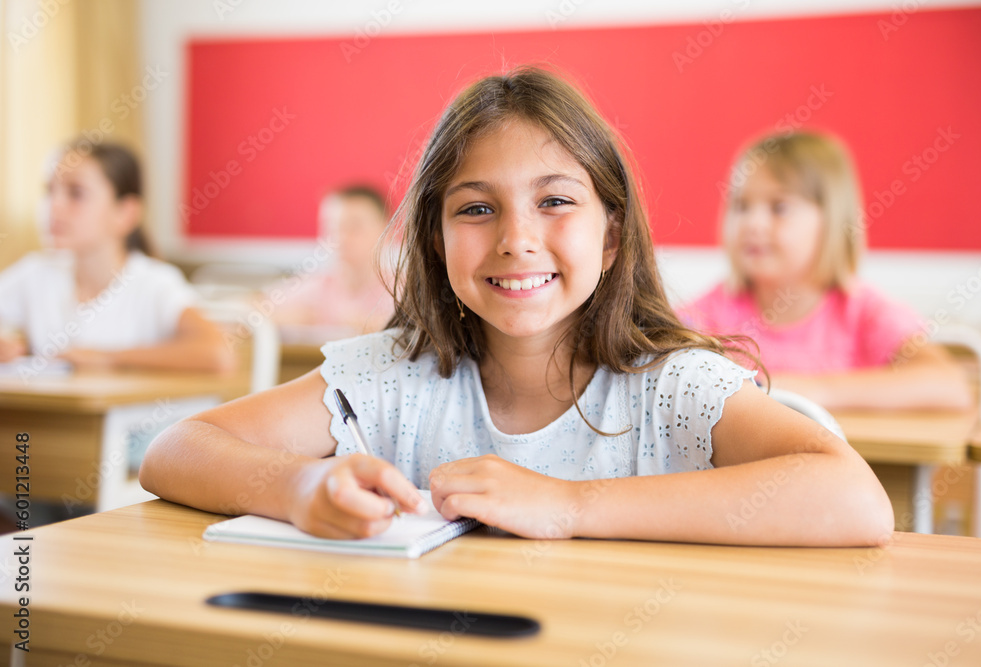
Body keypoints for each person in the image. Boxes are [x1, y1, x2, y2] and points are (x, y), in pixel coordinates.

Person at [140, 67, 892, 547]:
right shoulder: (392, 377)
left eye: (556, 202)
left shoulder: (671, 388)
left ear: (611, 237)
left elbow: (856, 500)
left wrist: (568, 505)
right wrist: (299, 487)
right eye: (475, 209)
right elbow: (175, 449)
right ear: (433, 242)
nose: (516, 240)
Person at [682, 131, 972, 411]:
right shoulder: (710, 315)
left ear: (831, 221)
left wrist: (813, 391)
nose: (753, 223)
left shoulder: (861, 312)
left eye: (779, 207)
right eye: (742, 206)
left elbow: (949, 386)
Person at [0, 140, 233, 373]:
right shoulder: (35, 273)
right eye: (49, 191)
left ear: (125, 213)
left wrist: (107, 357)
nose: (53, 207)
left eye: (76, 193)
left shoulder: (153, 284)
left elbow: (217, 354)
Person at [272, 186, 395, 341]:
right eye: (333, 227)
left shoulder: (403, 291)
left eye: (354, 227)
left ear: (386, 231)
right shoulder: (315, 286)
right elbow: (256, 309)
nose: (341, 237)